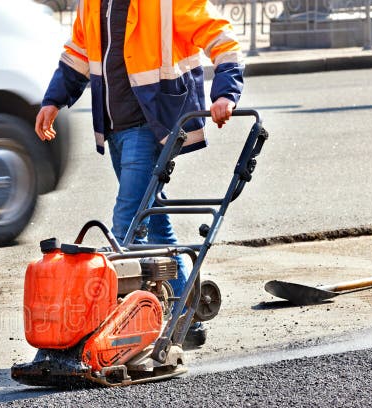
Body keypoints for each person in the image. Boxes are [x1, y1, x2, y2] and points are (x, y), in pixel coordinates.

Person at [34, 0, 244, 347]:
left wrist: (225, 93)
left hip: (152, 125)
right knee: (156, 222)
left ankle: (120, 334)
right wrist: (53, 100)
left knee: (127, 225)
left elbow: (220, 37)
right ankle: (187, 318)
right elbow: (78, 54)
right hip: (114, 128)